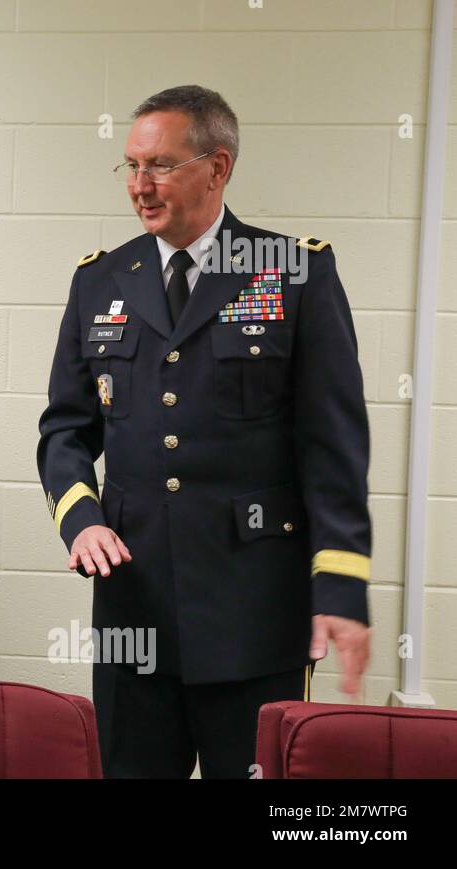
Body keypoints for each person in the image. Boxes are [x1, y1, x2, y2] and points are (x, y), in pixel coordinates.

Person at [37, 85, 372, 778]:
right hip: (136, 609)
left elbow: (333, 446)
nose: (139, 185)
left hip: (255, 613)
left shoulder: (294, 270)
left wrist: (340, 589)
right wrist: (81, 519)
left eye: (158, 165)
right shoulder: (101, 280)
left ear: (217, 168)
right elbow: (65, 429)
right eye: (130, 166)